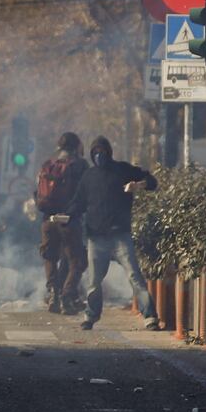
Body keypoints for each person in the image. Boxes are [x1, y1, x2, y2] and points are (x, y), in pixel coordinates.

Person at [72, 136, 158, 331]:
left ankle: (150, 317)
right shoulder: (89, 176)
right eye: (94, 152)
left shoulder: (123, 170)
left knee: (135, 276)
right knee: (93, 282)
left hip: (120, 235)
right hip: (96, 237)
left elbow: (152, 181)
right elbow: (78, 203)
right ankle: (90, 316)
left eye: (101, 151)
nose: (98, 155)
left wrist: (139, 185)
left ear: (109, 152)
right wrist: (66, 216)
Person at [35, 132, 90, 314]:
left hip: (48, 220)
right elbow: (87, 192)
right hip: (70, 220)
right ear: (76, 147)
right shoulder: (80, 166)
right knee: (77, 259)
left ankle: (53, 293)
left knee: (50, 257)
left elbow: (37, 193)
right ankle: (68, 295)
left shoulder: (47, 166)